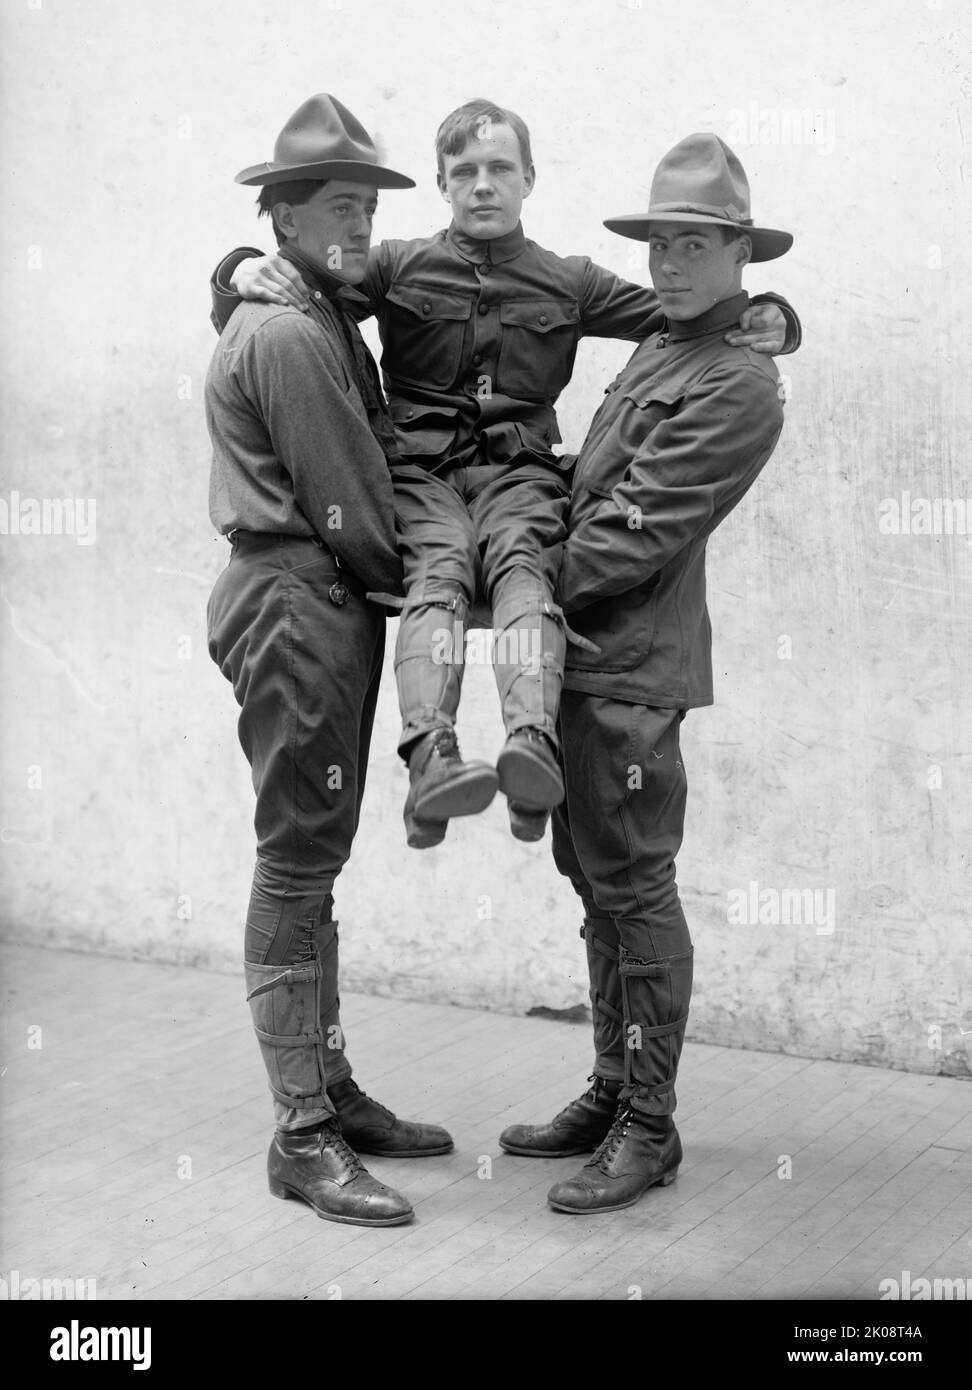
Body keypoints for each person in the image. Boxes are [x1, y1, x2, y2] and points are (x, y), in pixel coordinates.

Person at [211, 99, 801, 850]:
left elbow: (683, 308)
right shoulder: (393, 266)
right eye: (465, 172)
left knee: (529, 575)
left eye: (499, 169)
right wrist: (236, 271)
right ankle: (431, 756)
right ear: (441, 184)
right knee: (438, 578)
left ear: (529, 178)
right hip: (421, 480)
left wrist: (775, 314)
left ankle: (532, 747)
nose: (483, 185)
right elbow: (304, 288)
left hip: (521, 478)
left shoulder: (571, 281)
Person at [497, 133, 794, 1215]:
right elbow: (593, 481)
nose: (669, 262)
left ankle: (649, 1123)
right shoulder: (662, 346)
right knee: (590, 876)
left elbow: (634, 530)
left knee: (636, 885)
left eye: (695, 243)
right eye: (659, 241)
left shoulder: (740, 383)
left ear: (739, 252)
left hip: (634, 671)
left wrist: (517, 585)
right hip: (580, 662)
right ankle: (613, 1082)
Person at [205, 93, 453, 1230]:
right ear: (284, 217)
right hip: (303, 598)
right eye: (337, 205)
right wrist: (447, 589)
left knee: (317, 858)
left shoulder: (314, 303)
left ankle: (331, 1089)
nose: (358, 222)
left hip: (320, 602)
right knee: (297, 863)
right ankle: (300, 1134)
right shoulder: (296, 331)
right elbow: (351, 507)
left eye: (366, 202)